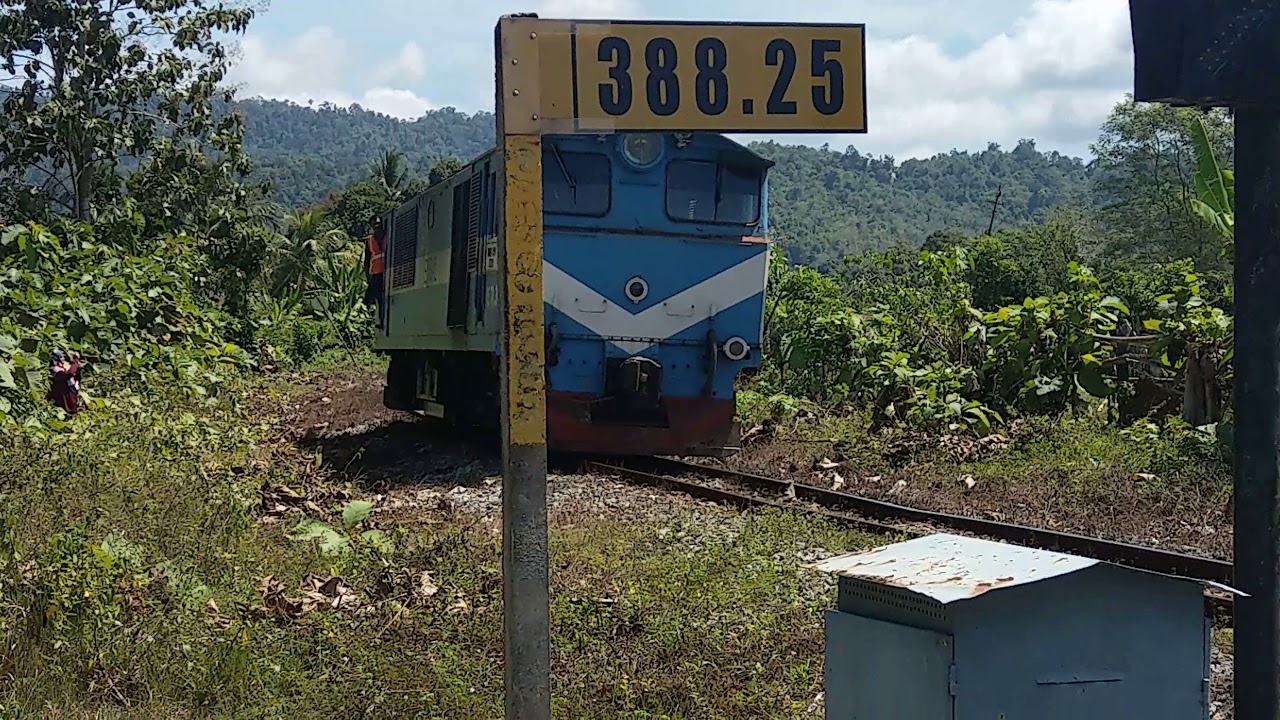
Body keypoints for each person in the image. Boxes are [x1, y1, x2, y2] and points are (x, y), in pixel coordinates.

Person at [364, 215, 386, 327]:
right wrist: (367, 275)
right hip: (377, 272)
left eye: (378, 223)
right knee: (376, 296)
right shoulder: (369, 240)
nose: (377, 226)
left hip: (388, 270)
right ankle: (376, 320)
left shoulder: (388, 236)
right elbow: (366, 260)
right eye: (374, 224)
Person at [47, 349, 82, 416]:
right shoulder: (56, 371)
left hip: (70, 396)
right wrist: (75, 361)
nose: (63, 360)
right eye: (61, 358)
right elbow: (69, 374)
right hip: (63, 399)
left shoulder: (62, 368)